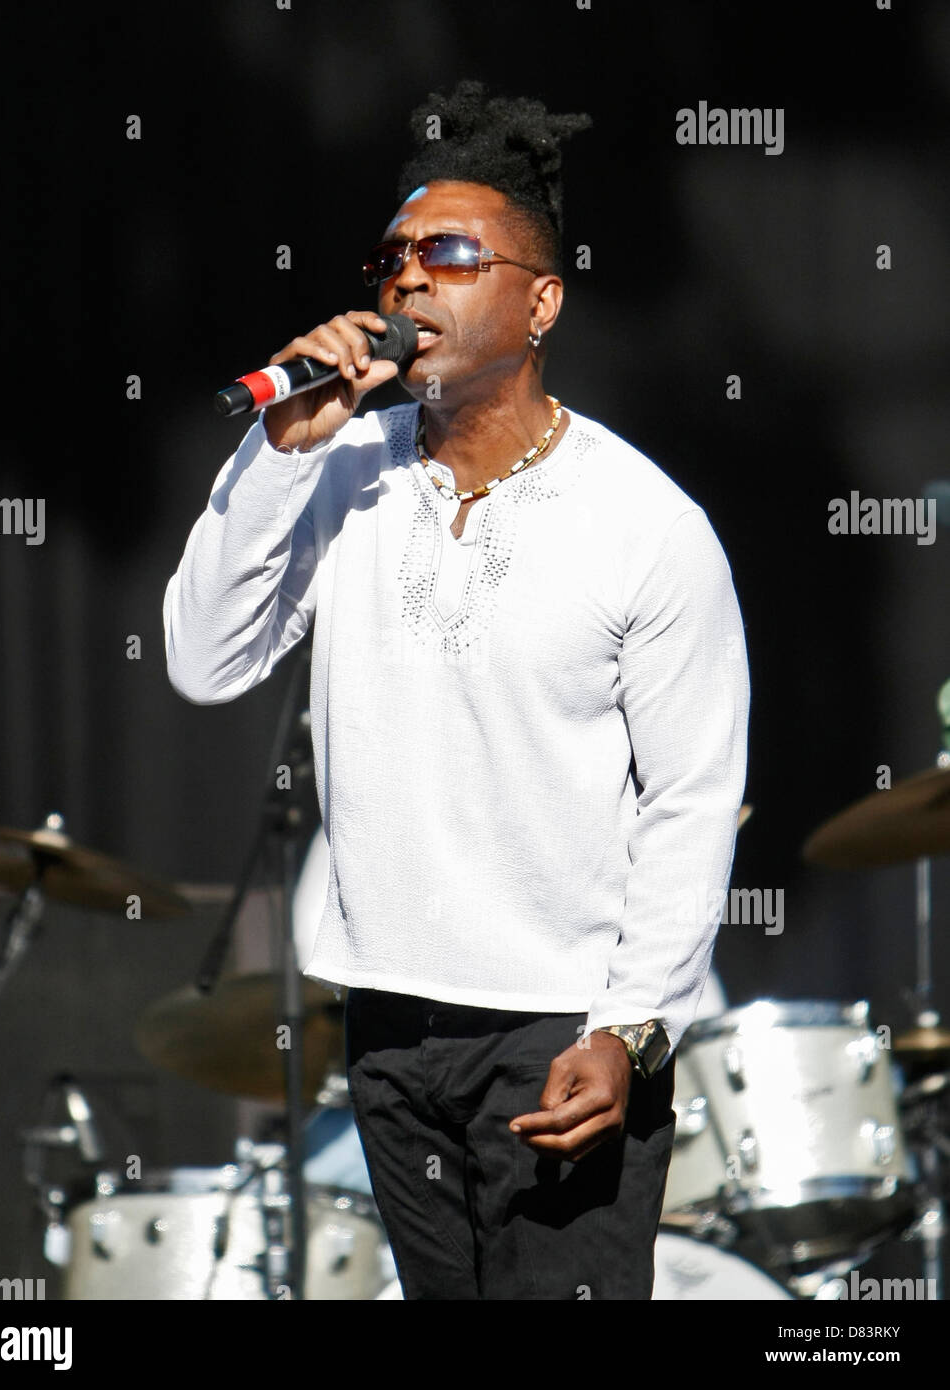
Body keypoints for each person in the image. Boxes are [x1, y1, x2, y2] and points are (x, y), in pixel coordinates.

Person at [163, 81, 750, 1300]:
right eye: (392, 259)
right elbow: (203, 659)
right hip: (389, 1027)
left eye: (449, 255)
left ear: (540, 301)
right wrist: (279, 455)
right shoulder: (340, 475)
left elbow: (695, 797)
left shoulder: (644, 524)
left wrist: (636, 1029)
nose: (409, 284)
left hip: (562, 1038)